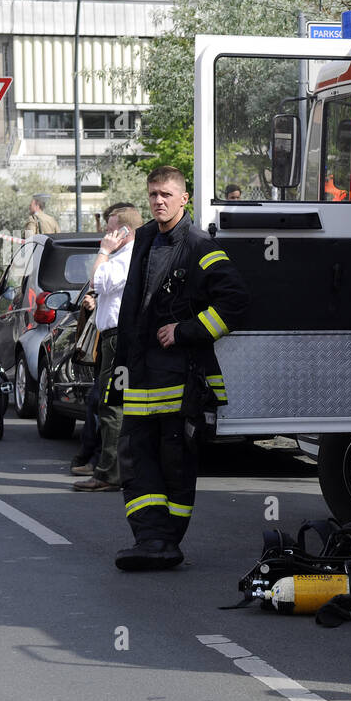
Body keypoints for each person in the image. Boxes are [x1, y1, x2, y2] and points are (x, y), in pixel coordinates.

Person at [110, 166, 248, 570]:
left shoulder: (200, 245)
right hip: (141, 373)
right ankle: (151, 538)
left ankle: (165, 541)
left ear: (184, 198)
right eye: (153, 194)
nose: (158, 201)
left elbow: (236, 300)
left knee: (174, 460)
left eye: (167, 194)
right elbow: (135, 304)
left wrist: (188, 331)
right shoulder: (146, 238)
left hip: (178, 378)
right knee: (135, 456)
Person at [73, 203, 139, 492]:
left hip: (118, 337)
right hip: (114, 336)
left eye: (111, 229)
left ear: (124, 231)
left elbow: (98, 281)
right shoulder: (126, 256)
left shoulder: (124, 257)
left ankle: (109, 474)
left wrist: (103, 250)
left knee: (111, 405)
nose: (106, 233)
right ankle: (113, 470)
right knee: (111, 403)